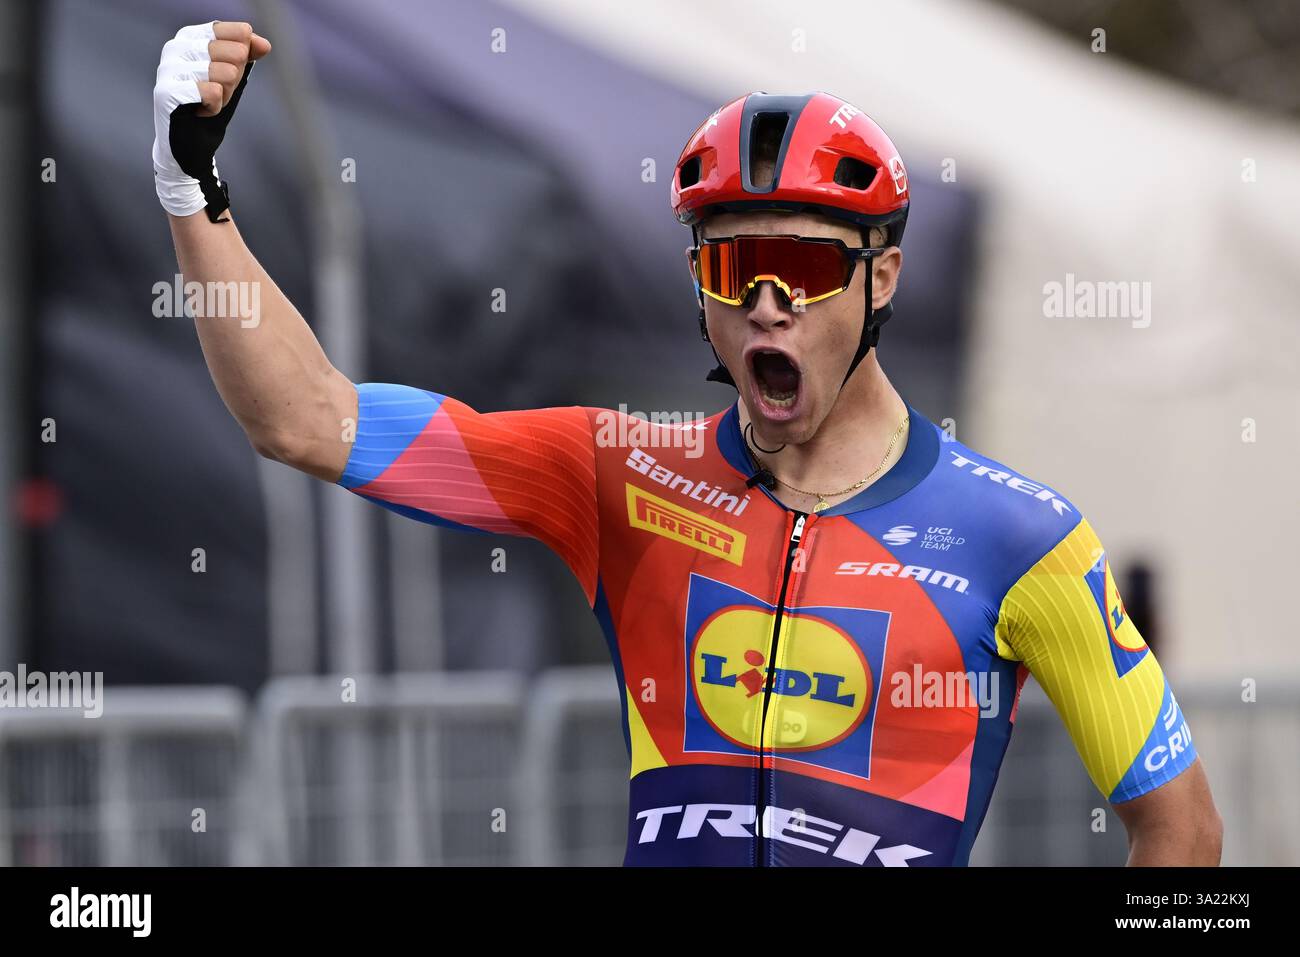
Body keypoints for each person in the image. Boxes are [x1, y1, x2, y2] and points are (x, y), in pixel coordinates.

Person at [154, 20, 1222, 866]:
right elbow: (304, 419)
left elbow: (1181, 832)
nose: (765, 304)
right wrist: (189, 190)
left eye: (800, 270)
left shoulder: (1020, 536)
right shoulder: (619, 471)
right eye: (730, 267)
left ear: (880, 279)